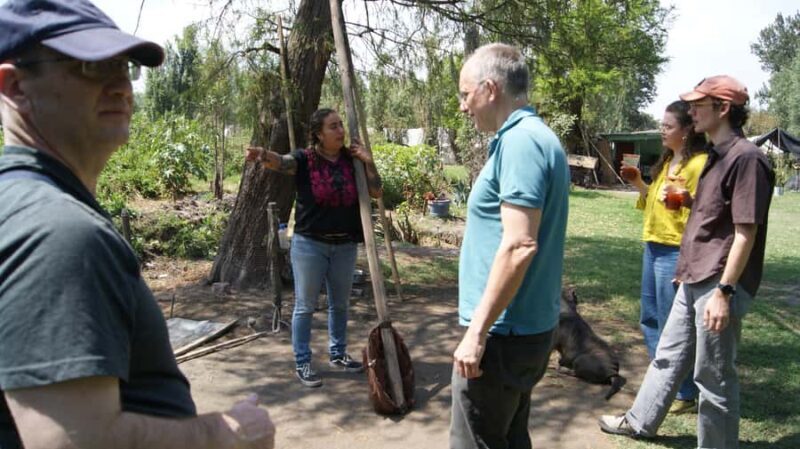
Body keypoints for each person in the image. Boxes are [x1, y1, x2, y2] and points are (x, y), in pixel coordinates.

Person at [0, 1, 275, 448]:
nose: (120, 86)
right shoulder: (58, 231)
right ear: (14, 86)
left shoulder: (21, 202)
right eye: (90, 67)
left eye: (123, 67)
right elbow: (69, 442)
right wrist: (226, 433)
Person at [599, 75, 775, 449]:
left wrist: (725, 292)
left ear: (724, 108)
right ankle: (639, 422)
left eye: (699, 104)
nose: (691, 111)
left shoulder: (747, 160)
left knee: (713, 375)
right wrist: (690, 203)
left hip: (717, 281)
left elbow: (745, 232)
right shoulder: (714, 155)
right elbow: (715, 215)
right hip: (694, 273)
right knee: (668, 355)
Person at [450, 43, 570, 449]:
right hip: (519, 328)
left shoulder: (521, 143)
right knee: (511, 437)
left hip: (502, 334)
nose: (464, 107)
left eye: (466, 95)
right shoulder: (532, 138)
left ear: (490, 88)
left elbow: (519, 245)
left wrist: (477, 332)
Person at [246, 108, 382, 388]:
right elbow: (281, 162)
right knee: (305, 306)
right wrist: (262, 153)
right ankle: (303, 362)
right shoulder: (305, 159)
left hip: (344, 245)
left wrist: (368, 162)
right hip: (310, 245)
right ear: (319, 134)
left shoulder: (351, 160)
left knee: (340, 305)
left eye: (341, 125)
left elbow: (376, 191)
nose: (341, 131)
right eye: (333, 127)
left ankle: (338, 354)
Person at [623, 100, 707, 414]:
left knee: (674, 326)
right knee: (649, 319)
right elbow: (654, 200)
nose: (662, 130)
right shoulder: (668, 160)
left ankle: (684, 392)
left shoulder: (699, 165)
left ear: (686, 131)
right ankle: (664, 383)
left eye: (668, 126)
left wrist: (687, 199)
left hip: (676, 251)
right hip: (653, 246)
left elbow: (707, 209)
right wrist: (638, 183)